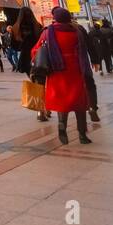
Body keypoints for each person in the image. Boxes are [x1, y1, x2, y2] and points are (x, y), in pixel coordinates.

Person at [32, 8, 93, 145]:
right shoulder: (76, 31)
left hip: (57, 70)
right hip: (76, 70)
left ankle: (62, 130)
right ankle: (82, 135)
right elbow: (84, 50)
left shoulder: (48, 32)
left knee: (62, 102)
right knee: (80, 103)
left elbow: (36, 50)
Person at [11, 7, 42, 76]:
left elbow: (14, 46)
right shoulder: (37, 26)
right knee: (39, 78)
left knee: (31, 76)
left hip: (25, 57)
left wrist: (22, 46)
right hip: (38, 55)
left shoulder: (16, 28)